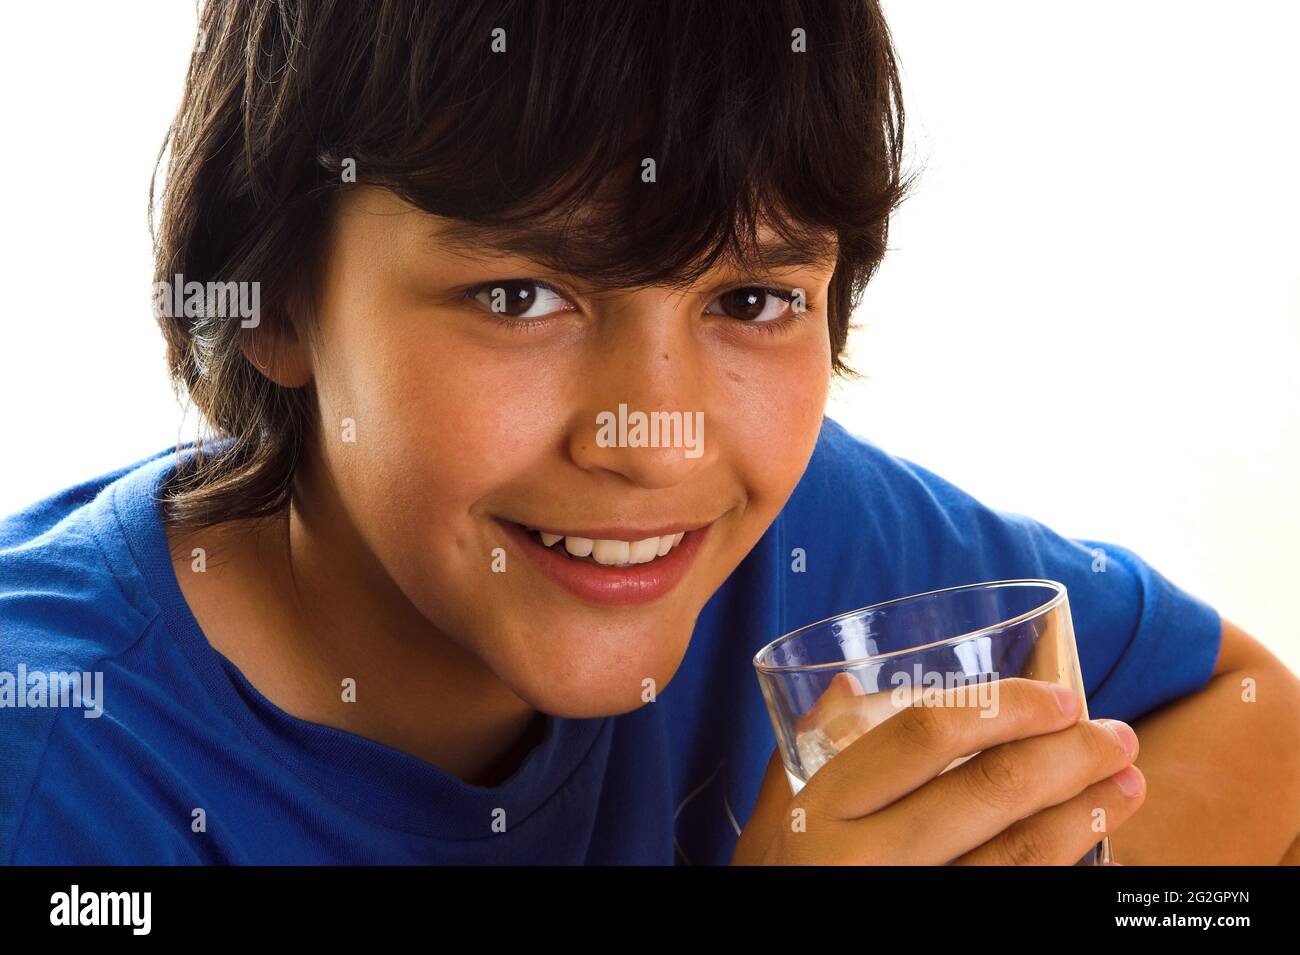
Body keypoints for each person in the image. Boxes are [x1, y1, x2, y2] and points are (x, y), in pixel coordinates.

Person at [1, 0, 1297, 865]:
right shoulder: (56, 771)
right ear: (275, 308)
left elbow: (1253, 721)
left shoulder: (793, 539)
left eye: (750, 301)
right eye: (520, 298)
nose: (659, 440)